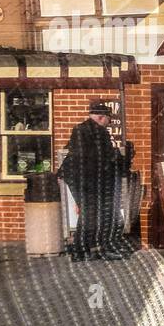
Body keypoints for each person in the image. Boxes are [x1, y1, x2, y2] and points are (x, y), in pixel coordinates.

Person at [58, 101, 131, 261]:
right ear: (100, 117)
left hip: (78, 179)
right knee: (92, 214)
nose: (110, 122)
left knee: (90, 214)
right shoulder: (97, 132)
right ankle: (83, 251)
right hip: (85, 181)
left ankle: (84, 250)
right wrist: (120, 158)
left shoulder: (80, 129)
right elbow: (101, 158)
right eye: (108, 119)